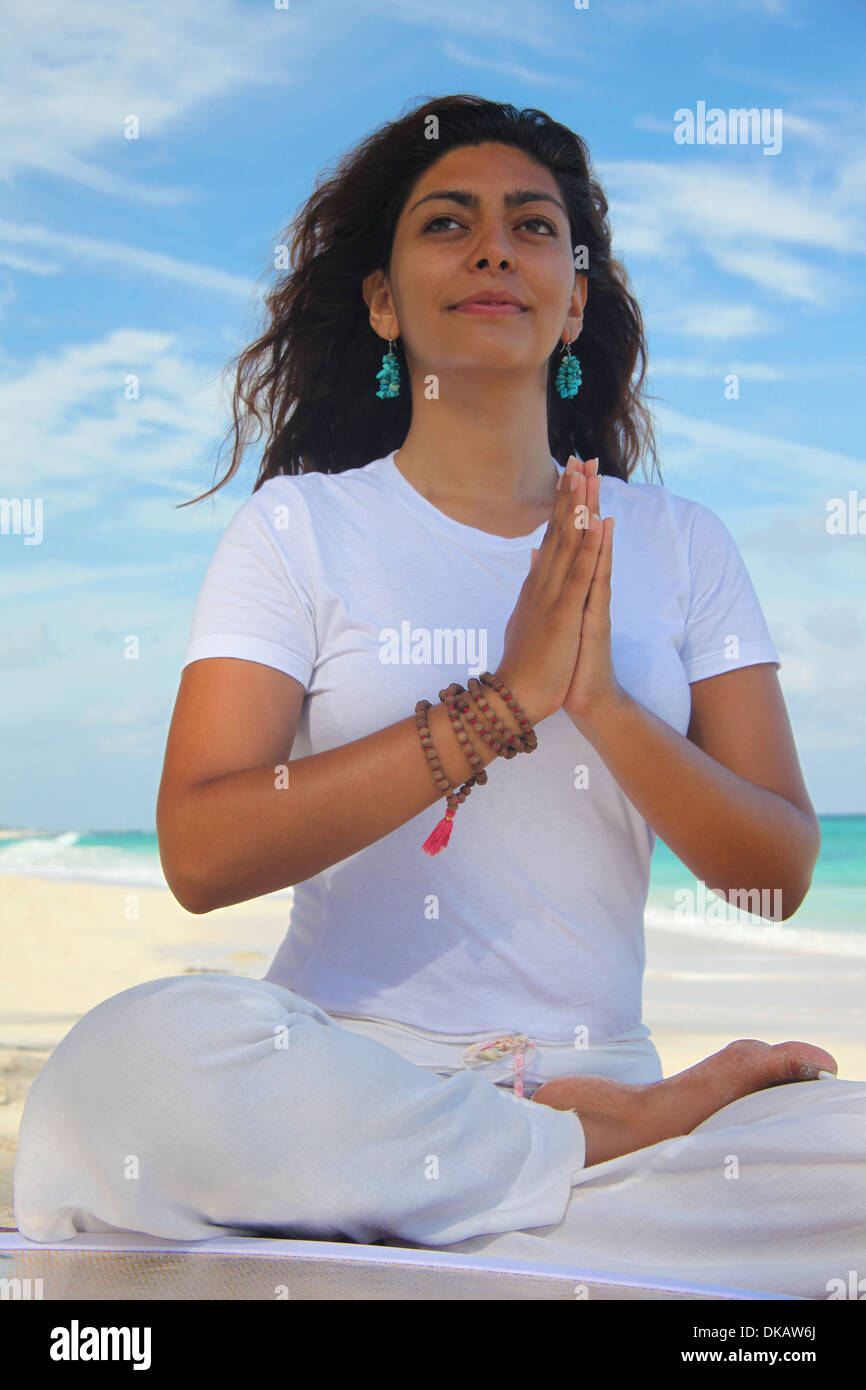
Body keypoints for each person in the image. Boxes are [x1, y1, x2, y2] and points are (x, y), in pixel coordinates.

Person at [14, 96, 865, 1294]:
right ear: (380, 300)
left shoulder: (681, 543)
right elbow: (202, 851)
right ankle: (555, 1186)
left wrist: (601, 706)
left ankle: (482, 1220)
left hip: (608, 1080)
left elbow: (771, 872)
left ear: (573, 297)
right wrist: (502, 701)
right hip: (340, 1088)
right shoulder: (302, 528)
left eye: (531, 226)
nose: (491, 248)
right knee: (127, 1061)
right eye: (445, 222)